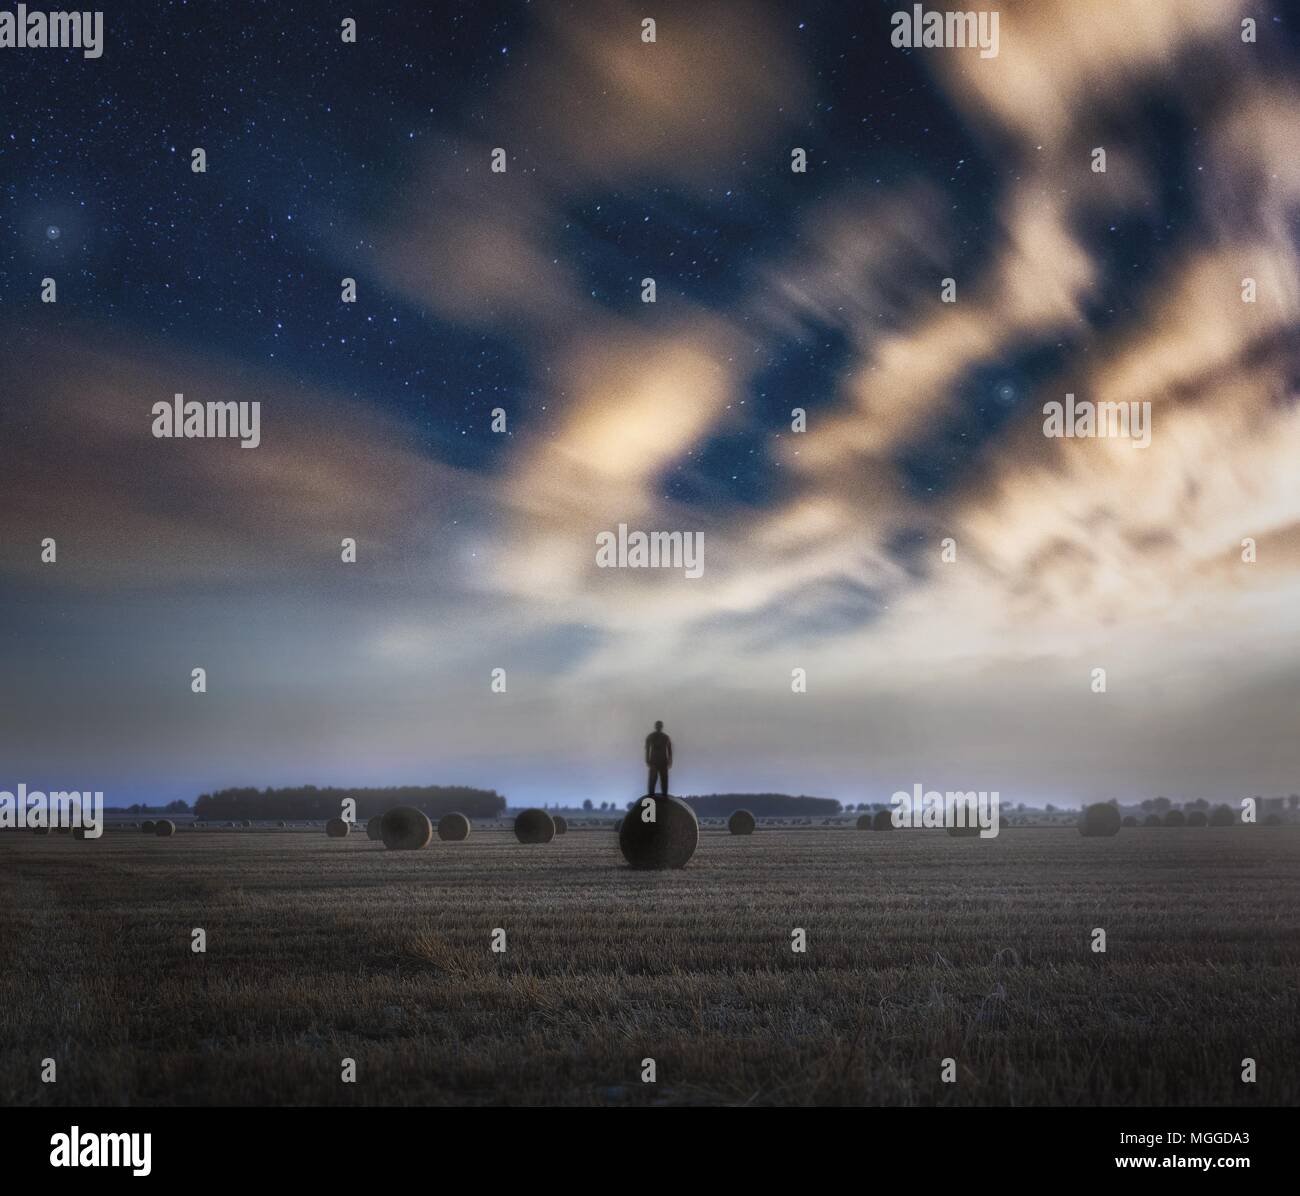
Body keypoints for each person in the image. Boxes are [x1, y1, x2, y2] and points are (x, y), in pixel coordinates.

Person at [644, 720, 673, 795]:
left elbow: (669, 750)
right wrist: (647, 760)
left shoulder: (664, 737)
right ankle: (653, 795)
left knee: (662, 781)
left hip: (661, 762)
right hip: (656, 762)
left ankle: (663, 796)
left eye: (659, 726)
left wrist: (670, 761)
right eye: (658, 726)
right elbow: (647, 749)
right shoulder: (653, 737)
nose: (659, 727)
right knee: (654, 781)